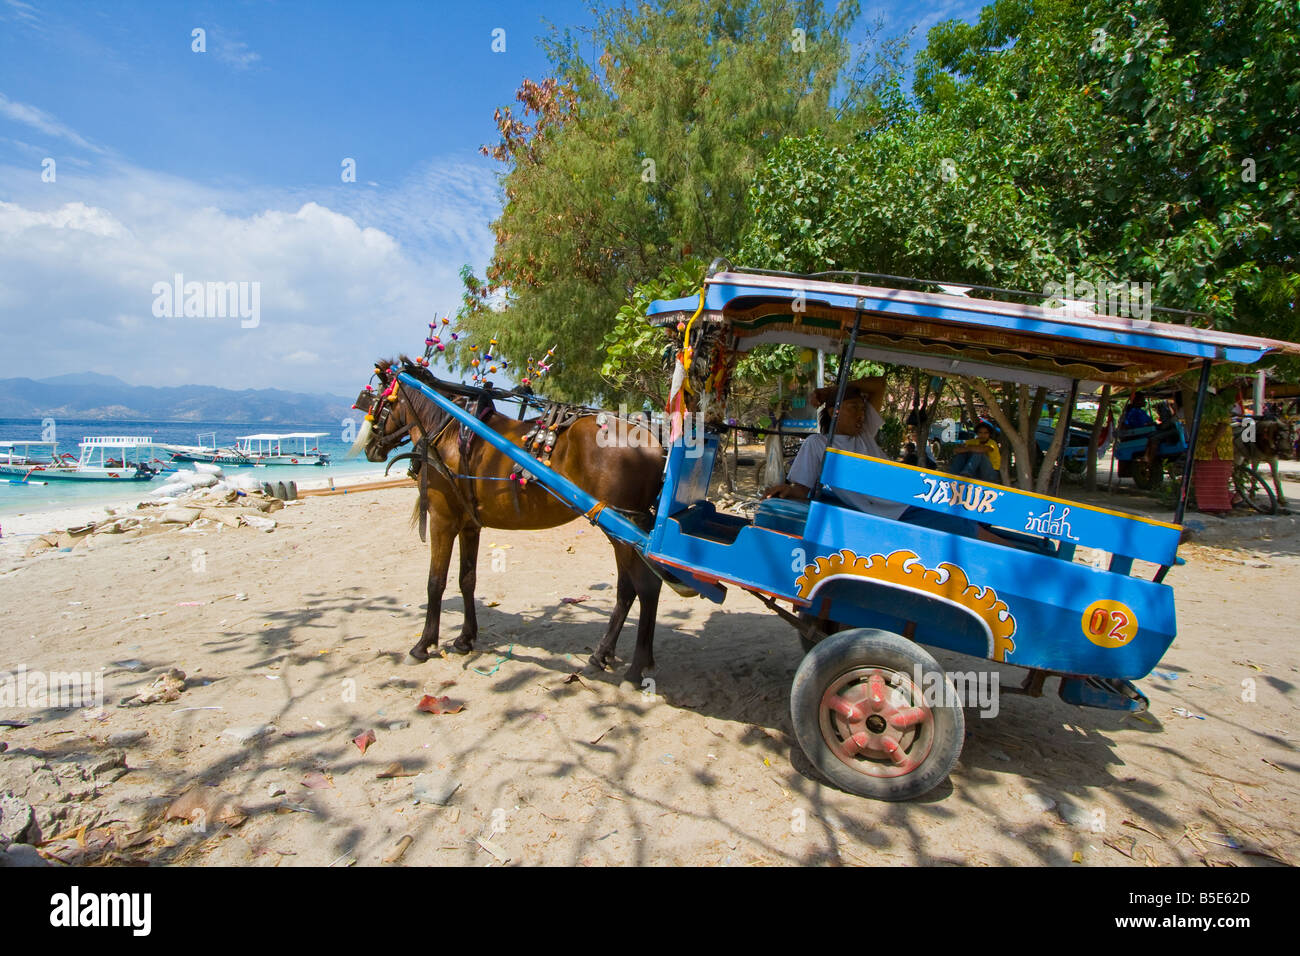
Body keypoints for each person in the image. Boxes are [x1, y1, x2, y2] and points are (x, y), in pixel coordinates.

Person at [762, 379, 1014, 544]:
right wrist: (786, 490)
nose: (861, 415)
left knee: (978, 510)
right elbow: (801, 489)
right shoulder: (818, 444)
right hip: (897, 513)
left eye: (862, 409)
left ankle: (1024, 549)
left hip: (912, 495)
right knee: (966, 529)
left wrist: (832, 390)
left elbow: (879, 385)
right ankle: (1026, 558)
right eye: (853, 408)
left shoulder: (864, 433)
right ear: (833, 411)